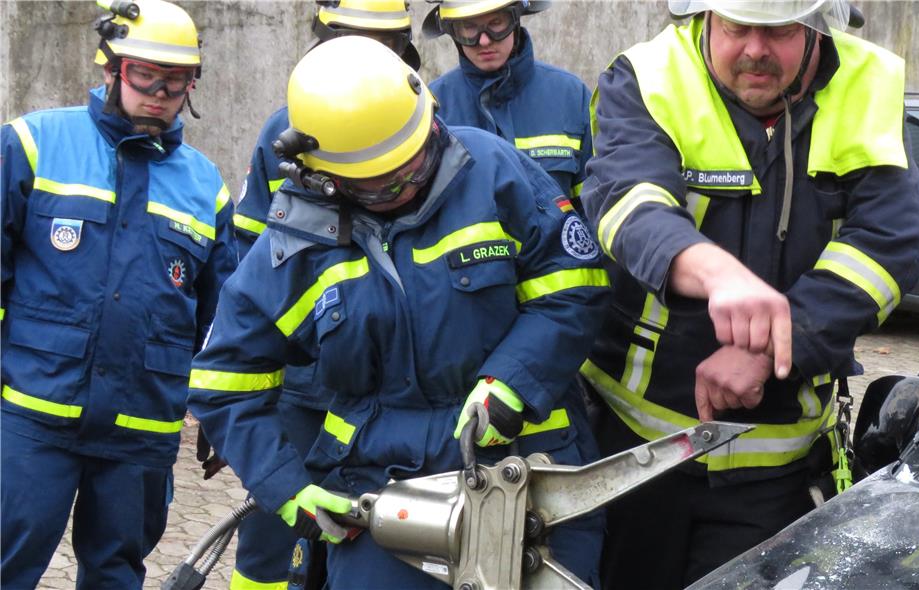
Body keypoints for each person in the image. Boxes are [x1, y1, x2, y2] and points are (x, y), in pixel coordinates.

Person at [187, 36, 610, 589]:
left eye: (420, 158)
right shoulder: (295, 249)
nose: (414, 181)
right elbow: (225, 379)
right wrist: (289, 490)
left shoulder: (490, 170)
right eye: (388, 181)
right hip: (380, 494)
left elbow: (576, 281)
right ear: (324, 178)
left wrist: (513, 381)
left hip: (530, 464)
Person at [578, 0, 919, 588]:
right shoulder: (649, 75)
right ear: (704, 18)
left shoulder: (869, 85)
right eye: (738, 27)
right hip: (631, 457)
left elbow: (890, 247)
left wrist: (770, 343)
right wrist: (718, 275)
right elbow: (625, 202)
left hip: (778, 469)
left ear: (818, 24)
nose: (757, 50)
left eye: (781, 30)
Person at [0, 1, 237, 588]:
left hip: (142, 427)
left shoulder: (206, 187)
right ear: (109, 68)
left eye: (176, 81)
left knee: (116, 574)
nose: (159, 93)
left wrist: (222, 415)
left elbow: (224, 319)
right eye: (144, 76)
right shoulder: (31, 145)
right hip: (35, 416)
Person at [224, 3, 423, 588]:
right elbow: (250, 267)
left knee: (366, 536)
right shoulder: (283, 129)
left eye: (383, 41)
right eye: (351, 38)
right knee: (271, 534)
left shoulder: (423, 120)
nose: (365, 53)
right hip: (303, 385)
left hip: (383, 390)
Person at [422, 0, 592, 210]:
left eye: (496, 23)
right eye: (468, 28)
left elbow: (594, 206)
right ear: (451, 31)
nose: (484, 41)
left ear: (516, 19)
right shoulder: (432, 106)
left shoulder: (571, 96)